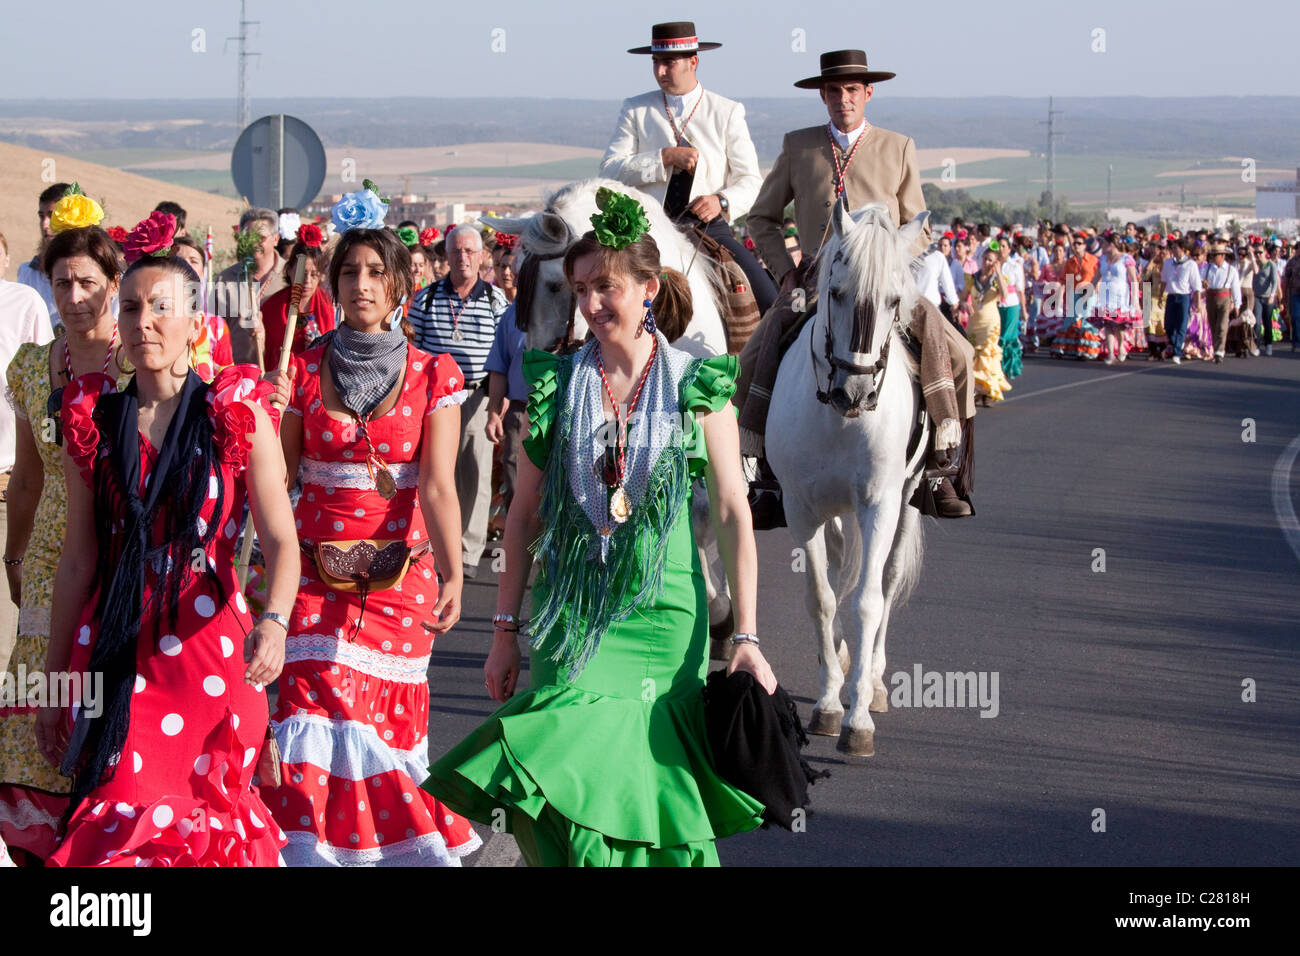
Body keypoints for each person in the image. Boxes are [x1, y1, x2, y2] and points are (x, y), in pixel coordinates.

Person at [424, 190, 774, 866]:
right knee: (562, 782)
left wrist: (750, 635)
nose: (589, 306)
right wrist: (503, 634)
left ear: (648, 288)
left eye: (604, 288)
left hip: (663, 624)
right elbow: (522, 515)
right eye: (580, 289)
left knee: (649, 790)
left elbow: (732, 508)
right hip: (571, 617)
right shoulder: (556, 383)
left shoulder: (699, 380)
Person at [39, 253, 298, 866]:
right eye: (131, 307)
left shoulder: (235, 412)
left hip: (209, 651)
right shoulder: (91, 420)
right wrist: (53, 678)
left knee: (205, 824)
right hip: (115, 650)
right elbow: (79, 558)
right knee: (121, 811)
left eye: (162, 307)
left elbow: (282, 541)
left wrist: (277, 621)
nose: (145, 322)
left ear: (194, 321)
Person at [265, 222, 480, 866]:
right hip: (310, 576)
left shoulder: (434, 373)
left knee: (376, 727)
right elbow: (279, 481)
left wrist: (454, 572)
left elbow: (439, 487)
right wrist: (269, 418)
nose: (361, 285)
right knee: (312, 706)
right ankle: (309, 855)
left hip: (398, 580)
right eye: (350, 273)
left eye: (376, 274)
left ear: (400, 289)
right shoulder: (302, 368)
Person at [739, 49, 975, 519]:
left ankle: (941, 472)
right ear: (822, 96)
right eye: (833, 91)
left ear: (868, 93)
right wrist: (784, 269)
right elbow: (761, 217)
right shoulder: (798, 145)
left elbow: (919, 225)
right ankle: (761, 474)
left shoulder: (898, 146)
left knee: (963, 355)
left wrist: (887, 262)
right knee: (750, 358)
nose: (842, 98)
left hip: (884, 281)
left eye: (851, 90)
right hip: (813, 280)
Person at [0, 224, 130, 862]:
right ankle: (38, 850)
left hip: (119, 557)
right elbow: (27, 477)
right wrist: (15, 554)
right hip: (50, 560)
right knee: (36, 711)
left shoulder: (136, 361)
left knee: (101, 703)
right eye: (61, 282)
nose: (74, 295)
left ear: (113, 283)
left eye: (88, 282)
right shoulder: (30, 366)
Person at [601, 21, 776, 315]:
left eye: (668, 63)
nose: (660, 71)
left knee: (769, 299)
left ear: (693, 62)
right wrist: (663, 158)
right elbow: (609, 172)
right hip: (644, 230)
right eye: (656, 63)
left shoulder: (726, 111)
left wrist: (720, 200)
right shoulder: (636, 108)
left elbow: (750, 180)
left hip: (707, 229)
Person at [407, 225, 509, 577]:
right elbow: (412, 348)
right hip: (434, 399)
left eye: (469, 251)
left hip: (478, 396)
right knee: (435, 473)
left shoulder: (497, 301)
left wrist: (499, 403)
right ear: (446, 257)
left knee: (475, 475)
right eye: (456, 252)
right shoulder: (427, 298)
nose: (463, 258)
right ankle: (431, 546)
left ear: (481, 257)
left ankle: (467, 552)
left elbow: (505, 353)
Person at [0, 232, 54, 677]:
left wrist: (15, 555)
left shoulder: (23, 303)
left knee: (7, 630)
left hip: (9, 482)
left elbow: (42, 396)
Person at [212, 208, 287, 367]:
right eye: (247, 237)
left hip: (279, 375)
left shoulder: (291, 277)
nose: (253, 243)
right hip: (238, 375)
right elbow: (214, 331)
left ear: (276, 239)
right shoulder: (225, 279)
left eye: (260, 237)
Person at [261, 227, 334, 373]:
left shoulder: (332, 306)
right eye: (302, 273)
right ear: (289, 270)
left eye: (314, 274)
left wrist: (320, 346)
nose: (307, 281)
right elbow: (264, 351)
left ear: (321, 275)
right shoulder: (272, 307)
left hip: (319, 382)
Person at [484, 301, 529, 534]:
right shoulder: (512, 314)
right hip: (520, 409)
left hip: (559, 409)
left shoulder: (570, 310)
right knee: (514, 472)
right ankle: (518, 534)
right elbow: (499, 366)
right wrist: (493, 413)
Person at [170, 235, 234, 382]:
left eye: (194, 261)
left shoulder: (216, 326)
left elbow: (227, 378)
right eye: (178, 259)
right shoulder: (151, 319)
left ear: (203, 272)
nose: (186, 265)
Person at [17, 182, 70, 331]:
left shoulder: (98, 271)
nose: (45, 224)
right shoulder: (28, 273)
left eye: (52, 216)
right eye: (42, 216)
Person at [963, 249, 1012, 404]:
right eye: (985, 258)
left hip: (990, 323)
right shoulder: (972, 278)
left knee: (987, 355)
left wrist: (998, 272)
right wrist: (965, 305)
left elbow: (1005, 295)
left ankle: (990, 392)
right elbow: (963, 299)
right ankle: (978, 390)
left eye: (990, 260)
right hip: (974, 322)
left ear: (995, 262)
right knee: (974, 356)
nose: (986, 262)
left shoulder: (999, 280)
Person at [1093, 234, 1142, 365]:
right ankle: (1110, 352)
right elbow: (1096, 278)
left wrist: (1135, 299)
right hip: (1105, 295)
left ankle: (1120, 346)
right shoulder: (1102, 259)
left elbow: (1133, 279)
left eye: (1103, 244)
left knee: (1119, 325)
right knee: (1107, 324)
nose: (1101, 247)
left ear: (1111, 244)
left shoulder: (1126, 258)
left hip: (1120, 295)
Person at [1160, 239, 1201, 365]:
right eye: (1172, 247)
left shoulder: (1191, 264)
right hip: (1171, 296)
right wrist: (1162, 295)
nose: (1173, 250)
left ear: (1183, 249)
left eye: (1175, 247)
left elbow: (1196, 285)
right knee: (1168, 325)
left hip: (1184, 297)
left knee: (1181, 325)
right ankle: (1175, 342)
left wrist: (1197, 302)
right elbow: (1163, 281)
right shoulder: (1167, 263)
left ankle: (1177, 352)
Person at [1203, 243, 1241, 364]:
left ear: (1223, 256)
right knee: (1213, 325)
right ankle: (1215, 349)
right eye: (1212, 255)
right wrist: (1203, 285)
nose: (1213, 258)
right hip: (1211, 298)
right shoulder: (1207, 268)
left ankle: (1220, 351)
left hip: (1224, 299)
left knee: (1222, 325)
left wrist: (1237, 304)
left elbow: (1235, 288)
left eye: (1216, 255)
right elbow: (1198, 283)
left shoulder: (1231, 270)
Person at [995, 239, 1025, 379]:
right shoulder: (992, 264)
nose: (1001, 249)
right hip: (995, 304)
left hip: (1011, 304)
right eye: (999, 246)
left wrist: (1024, 310)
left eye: (1004, 246)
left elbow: (1020, 290)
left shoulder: (1015, 266)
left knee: (1007, 336)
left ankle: (1007, 366)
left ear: (1009, 248)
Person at [1252, 244, 1281, 356]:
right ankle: (1257, 344)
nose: (1258, 255)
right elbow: (1254, 272)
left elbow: (1274, 282)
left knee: (1267, 321)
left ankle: (1268, 344)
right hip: (1257, 296)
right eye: (1256, 253)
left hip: (1268, 297)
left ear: (1265, 252)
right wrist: (1252, 256)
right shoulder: (1256, 264)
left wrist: (1273, 295)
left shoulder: (1271, 265)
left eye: (1260, 252)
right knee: (1257, 322)